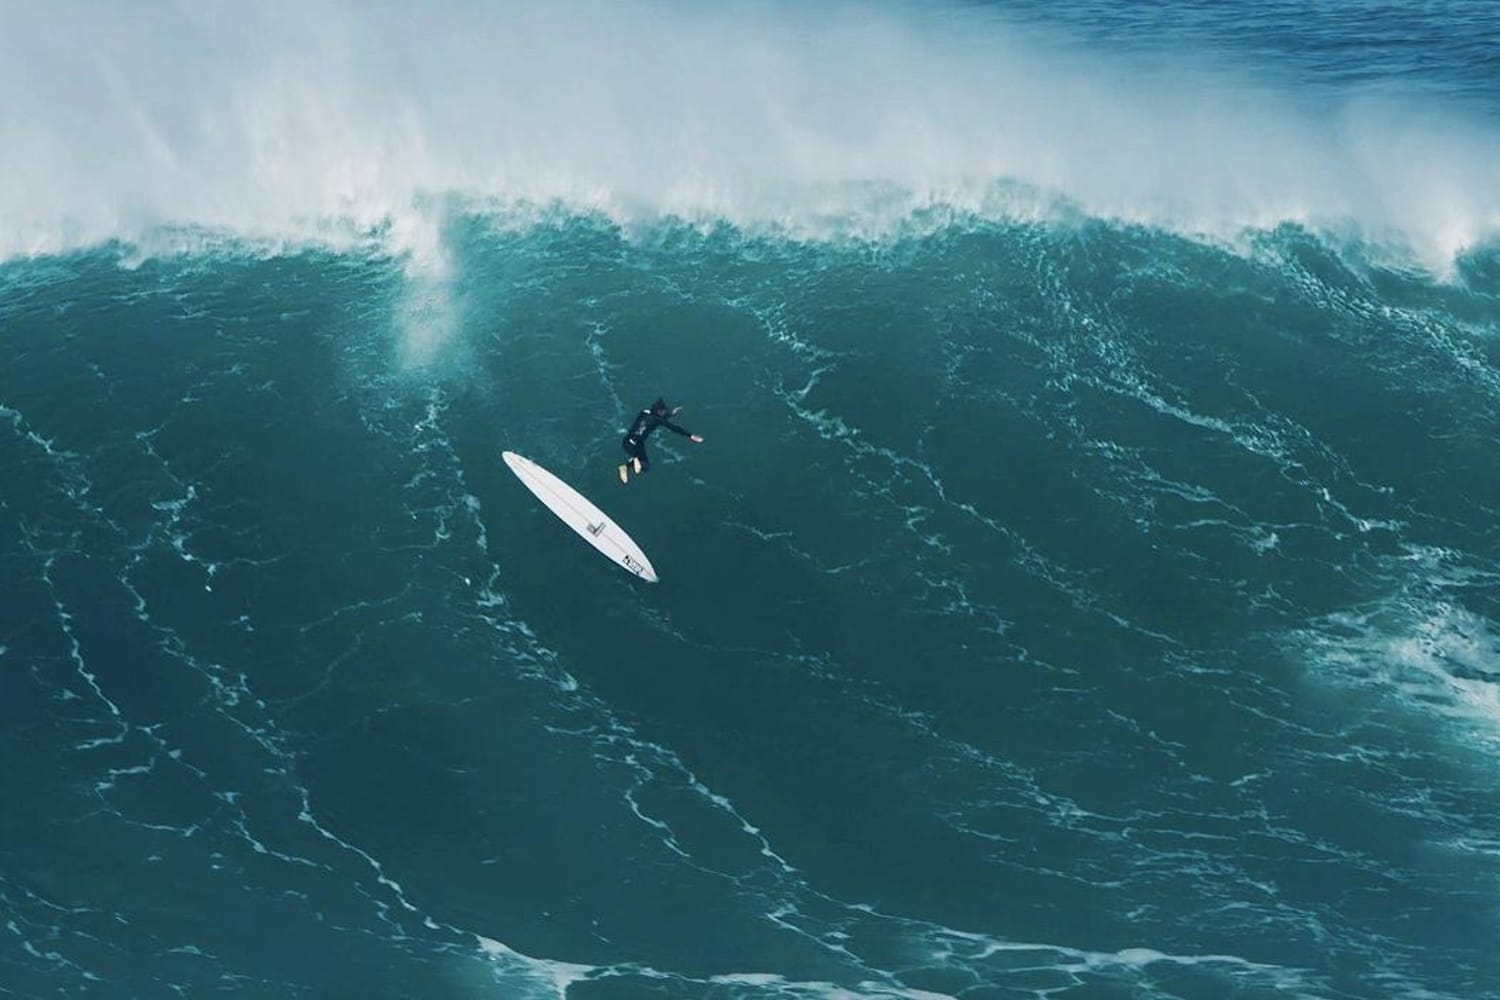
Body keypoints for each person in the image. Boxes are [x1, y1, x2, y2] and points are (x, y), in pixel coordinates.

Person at [620, 397, 703, 483]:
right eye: (663, 411)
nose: (665, 412)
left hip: (628, 442)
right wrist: (690, 436)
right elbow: (674, 428)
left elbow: (658, 418)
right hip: (634, 445)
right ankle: (635, 459)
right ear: (659, 411)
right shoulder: (658, 420)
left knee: (646, 466)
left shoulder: (644, 412)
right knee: (643, 464)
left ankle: (626, 467)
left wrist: (671, 414)